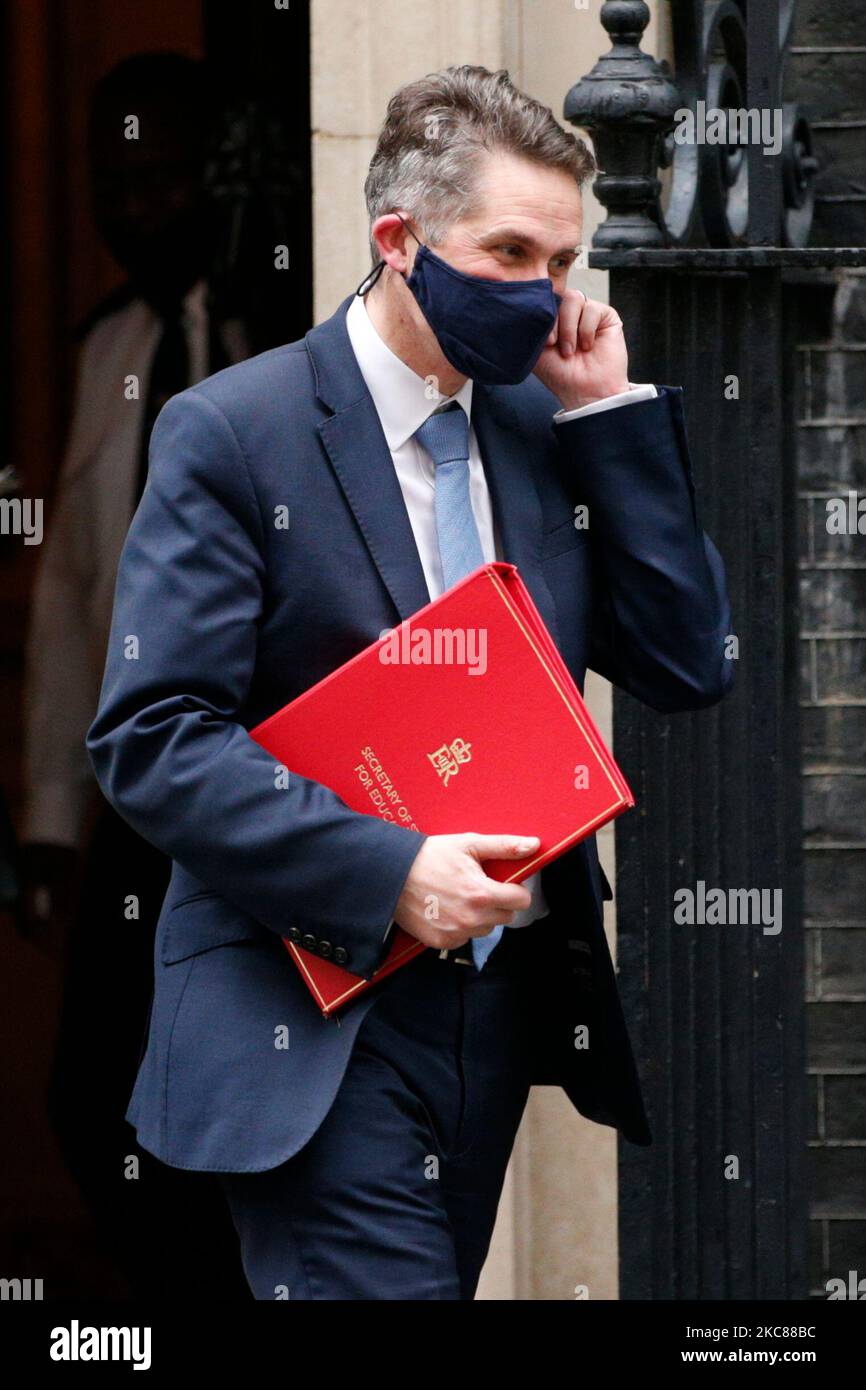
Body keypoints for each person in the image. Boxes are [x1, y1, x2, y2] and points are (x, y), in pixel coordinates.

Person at [86, 65, 734, 1301]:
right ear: (399, 241)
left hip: (492, 1023)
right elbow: (153, 735)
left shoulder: (543, 427)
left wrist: (610, 419)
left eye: (560, 259)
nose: (544, 295)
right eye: (508, 253)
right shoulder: (236, 432)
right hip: (311, 1020)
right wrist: (386, 872)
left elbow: (685, 662)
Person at [20, 52, 251, 1298]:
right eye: (117, 183)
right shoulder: (105, 348)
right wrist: (52, 824)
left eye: (164, 177)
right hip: (142, 789)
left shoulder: (285, 326)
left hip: (279, 779)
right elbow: (67, 595)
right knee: (93, 1087)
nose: (138, 206)